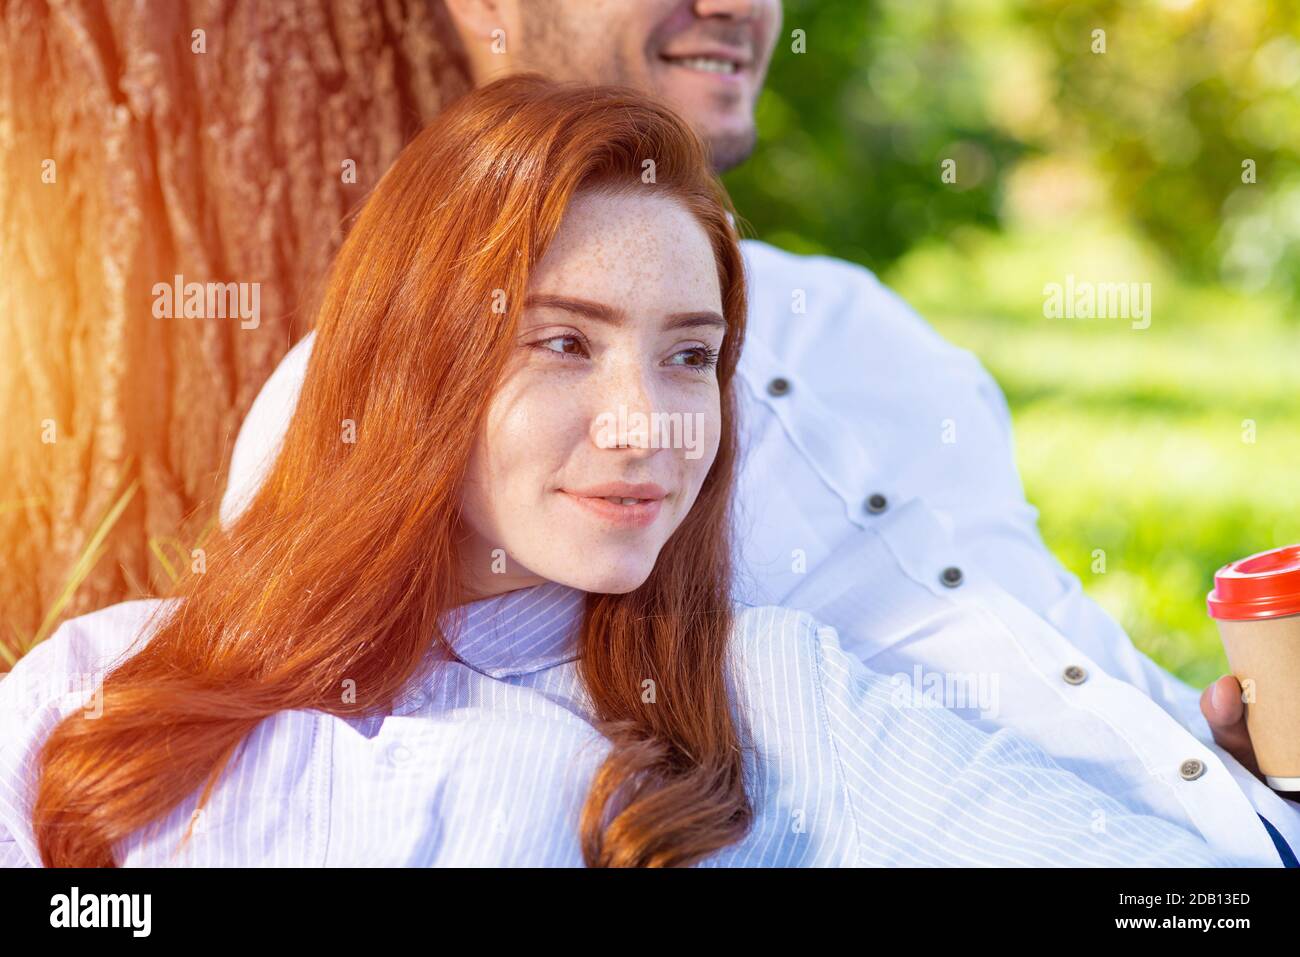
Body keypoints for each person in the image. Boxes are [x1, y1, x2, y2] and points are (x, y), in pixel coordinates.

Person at [0, 76, 1233, 867]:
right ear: (412, 363)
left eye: (689, 357)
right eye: (562, 342)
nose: (649, 426)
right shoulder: (98, 686)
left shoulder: (761, 703)